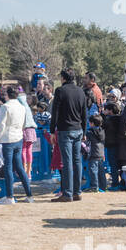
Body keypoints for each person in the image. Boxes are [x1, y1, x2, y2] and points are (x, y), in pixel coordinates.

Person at [50, 69, 88, 203]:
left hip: (65, 129)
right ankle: (77, 192)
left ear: (63, 78)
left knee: (67, 162)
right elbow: (84, 113)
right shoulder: (80, 91)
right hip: (78, 129)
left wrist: (51, 131)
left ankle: (67, 193)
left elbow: (55, 112)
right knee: (77, 161)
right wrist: (84, 131)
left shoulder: (60, 91)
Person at [0, 85, 32, 205]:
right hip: (18, 138)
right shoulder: (22, 107)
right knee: (19, 167)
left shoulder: (5, 107)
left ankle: (10, 197)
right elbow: (24, 123)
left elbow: (1, 125)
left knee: (8, 167)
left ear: (7, 95)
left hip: (8, 139)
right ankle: (29, 195)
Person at [102, 99, 123, 190]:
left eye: (106, 109)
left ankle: (115, 183)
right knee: (120, 165)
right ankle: (122, 182)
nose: (104, 111)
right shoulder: (120, 118)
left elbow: (102, 126)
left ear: (110, 110)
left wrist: (102, 115)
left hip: (111, 144)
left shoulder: (108, 120)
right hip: (120, 144)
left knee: (113, 165)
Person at [86, 114, 106, 192]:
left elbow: (87, 141)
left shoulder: (90, 132)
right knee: (101, 171)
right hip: (101, 153)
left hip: (93, 153)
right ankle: (103, 186)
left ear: (92, 123)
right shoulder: (102, 131)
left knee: (93, 171)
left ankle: (94, 186)